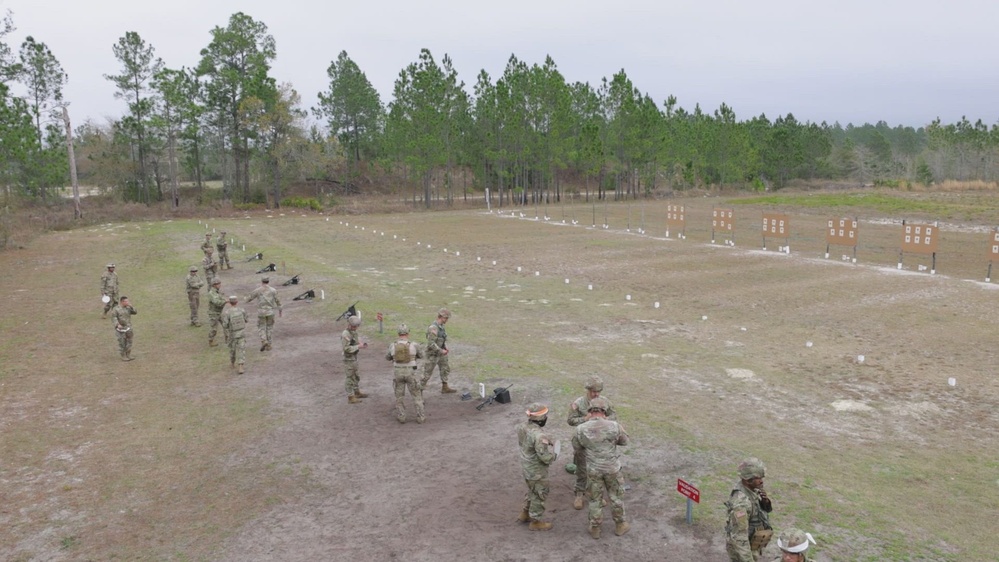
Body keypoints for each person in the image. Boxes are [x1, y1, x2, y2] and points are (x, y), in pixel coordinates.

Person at [573, 396, 629, 539]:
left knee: (594, 499)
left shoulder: (581, 429)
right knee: (616, 498)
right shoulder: (614, 426)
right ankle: (620, 525)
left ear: (590, 411)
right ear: (604, 411)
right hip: (612, 469)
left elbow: (577, 447)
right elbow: (624, 442)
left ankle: (595, 528)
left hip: (593, 470)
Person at [567, 375, 618, 510]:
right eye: (593, 391)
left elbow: (614, 415)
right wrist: (585, 419)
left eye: (598, 391)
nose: (596, 394)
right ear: (588, 390)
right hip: (583, 442)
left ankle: (595, 494)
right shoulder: (579, 403)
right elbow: (571, 420)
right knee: (582, 468)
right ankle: (579, 493)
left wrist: (604, 419)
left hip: (599, 443)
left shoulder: (604, 402)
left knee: (597, 469)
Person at [516, 403, 556, 531]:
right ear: (540, 418)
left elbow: (529, 441)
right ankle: (536, 522)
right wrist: (555, 454)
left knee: (532, 490)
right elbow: (545, 458)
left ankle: (525, 513)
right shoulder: (539, 436)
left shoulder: (522, 427)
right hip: (537, 470)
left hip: (526, 466)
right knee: (540, 493)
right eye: (545, 416)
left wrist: (545, 439)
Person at [725, 457, 774, 562]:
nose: (761, 481)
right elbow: (739, 538)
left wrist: (765, 502)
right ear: (748, 480)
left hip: (753, 545)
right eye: (758, 478)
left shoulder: (752, 489)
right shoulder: (741, 504)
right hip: (743, 551)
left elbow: (760, 512)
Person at [385, 323, 425, 423]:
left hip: (398, 373)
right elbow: (422, 355)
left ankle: (401, 416)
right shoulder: (414, 345)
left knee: (399, 396)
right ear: (408, 333)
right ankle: (420, 417)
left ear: (398, 333)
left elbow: (387, 357)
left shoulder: (392, 345)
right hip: (411, 372)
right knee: (416, 395)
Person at [422, 308, 456, 394]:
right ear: (441, 317)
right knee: (427, 373)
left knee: (445, 368)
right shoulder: (433, 328)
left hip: (441, 353)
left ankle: (445, 387)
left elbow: (441, 339)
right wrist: (441, 350)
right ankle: (419, 391)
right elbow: (431, 344)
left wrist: (445, 347)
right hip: (432, 354)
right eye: (446, 318)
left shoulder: (441, 326)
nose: (447, 320)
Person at [246, 276, 282, 351]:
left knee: (261, 327)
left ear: (262, 281)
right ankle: (269, 344)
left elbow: (249, 298)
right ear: (268, 281)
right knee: (269, 328)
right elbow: (278, 301)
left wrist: (245, 299)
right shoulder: (273, 290)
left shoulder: (258, 290)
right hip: (270, 311)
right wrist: (280, 310)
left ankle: (264, 340)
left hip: (261, 312)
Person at [341, 315, 368, 403]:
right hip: (348, 359)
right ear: (349, 324)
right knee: (350, 377)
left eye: (356, 326)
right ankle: (350, 396)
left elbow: (355, 341)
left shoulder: (353, 332)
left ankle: (356, 392)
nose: (355, 328)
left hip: (354, 358)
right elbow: (346, 348)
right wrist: (358, 346)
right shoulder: (345, 334)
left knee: (356, 376)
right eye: (353, 326)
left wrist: (360, 343)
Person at [221, 295, 249, 374]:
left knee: (232, 350)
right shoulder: (242, 310)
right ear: (237, 302)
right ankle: (241, 366)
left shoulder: (227, 312)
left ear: (229, 303)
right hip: (241, 333)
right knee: (241, 349)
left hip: (232, 334)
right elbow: (246, 319)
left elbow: (225, 325)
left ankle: (232, 363)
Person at [111, 295, 137, 361]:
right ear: (122, 302)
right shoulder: (116, 309)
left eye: (128, 301)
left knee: (129, 342)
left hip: (128, 327)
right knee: (122, 342)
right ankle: (123, 356)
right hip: (121, 329)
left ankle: (128, 354)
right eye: (126, 301)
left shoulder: (128, 308)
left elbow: (135, 312)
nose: (127, 302)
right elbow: (114, 317)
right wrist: (117, 324)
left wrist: (131, 307)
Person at [207, 278, 226, 347]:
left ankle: (228, 339)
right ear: (214, 285)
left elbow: (222, 298)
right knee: (214, 329)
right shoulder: (211, 293)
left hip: (219, 312)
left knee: (226, 325)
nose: (219, 285)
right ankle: (211, 341)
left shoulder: (218, 292)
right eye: (218, 284)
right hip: (214, 313)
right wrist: (225, 301)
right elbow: (217, 302)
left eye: (219, 283)